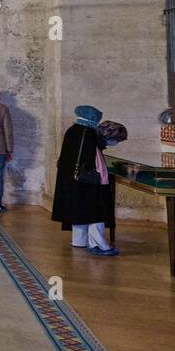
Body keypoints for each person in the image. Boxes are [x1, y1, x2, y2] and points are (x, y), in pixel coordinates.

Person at [51, 105, 118, 256]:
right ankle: (99, 245)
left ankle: (79, 240)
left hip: (71, 179)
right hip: (88, 180)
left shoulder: (72, 130)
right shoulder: (88, 133)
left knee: (78, 211)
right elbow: (94, 159)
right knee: (96, 211)